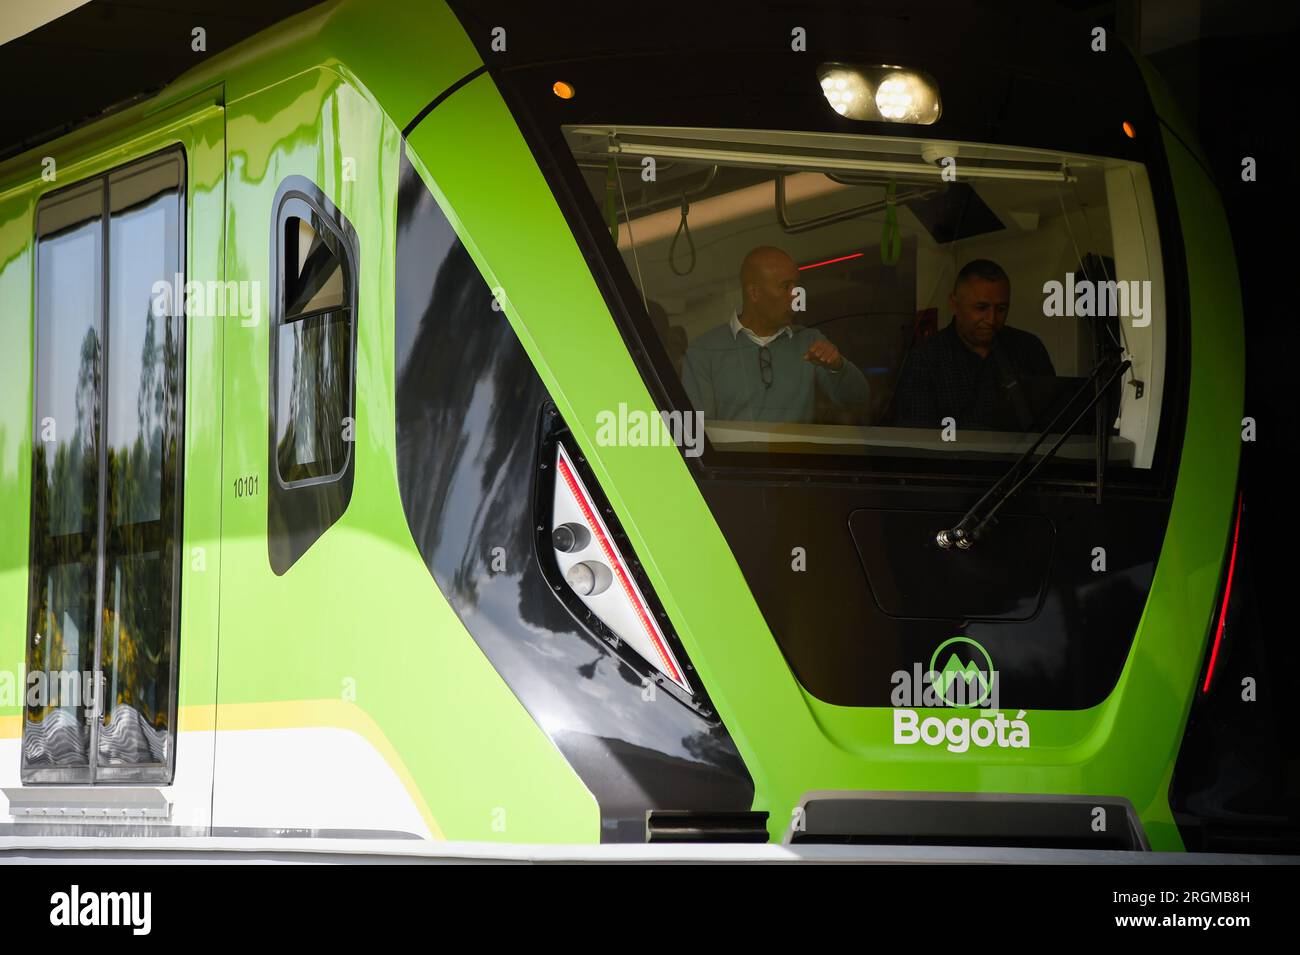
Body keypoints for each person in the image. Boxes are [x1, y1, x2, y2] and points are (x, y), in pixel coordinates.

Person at [681, 246, 869, 422]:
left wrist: (837, 366)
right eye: (786, 286)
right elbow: (698, 433)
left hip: (796, 457)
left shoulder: (810, 341)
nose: (795, 294)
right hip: (730, 458)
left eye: (796, 286)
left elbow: (857, 400)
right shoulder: (704, 351)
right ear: (754, 293)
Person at [888, 259, 1055, 430]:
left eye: (1001, 309)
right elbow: (919, 440)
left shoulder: (1029, 349)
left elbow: (1053, 423)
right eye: (981, 308)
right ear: (954, 304)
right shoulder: (925, 359)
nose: (991, 319)